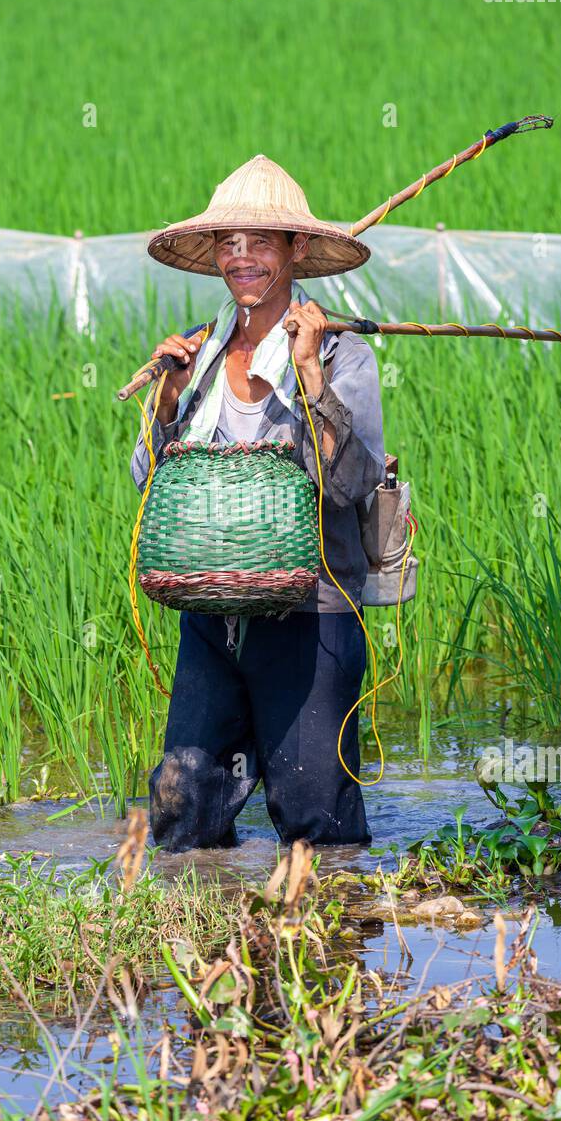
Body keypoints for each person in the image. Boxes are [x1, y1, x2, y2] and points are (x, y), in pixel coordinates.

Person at [131, 154, 386, 852]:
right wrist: (170, 399)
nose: (240, 258)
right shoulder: (201, 351)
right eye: (228, 243)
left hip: (311, 613)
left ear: (296, 250)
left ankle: (328, 951)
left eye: (259, 242)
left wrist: (307, 373)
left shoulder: (339, 357)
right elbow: (147, 481)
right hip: (214, 610)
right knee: (181, 805)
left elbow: (350, 484)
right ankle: (211, 951)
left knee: (316, 823)